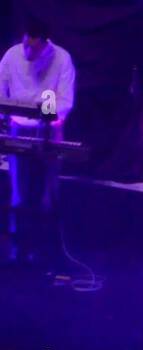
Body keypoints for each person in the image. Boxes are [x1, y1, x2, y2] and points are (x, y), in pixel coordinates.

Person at [0, 15, 75, 270]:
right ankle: (18, 248)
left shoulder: (62, 59)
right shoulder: (12, 56)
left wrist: (49, 116)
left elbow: (65, 100)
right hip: (18, 128)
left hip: (49, 131)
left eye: (34, 46)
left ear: (45, 43)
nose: (28, 50)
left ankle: (45, 249)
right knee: (19, 192)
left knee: (47, 193)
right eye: (25, 45)